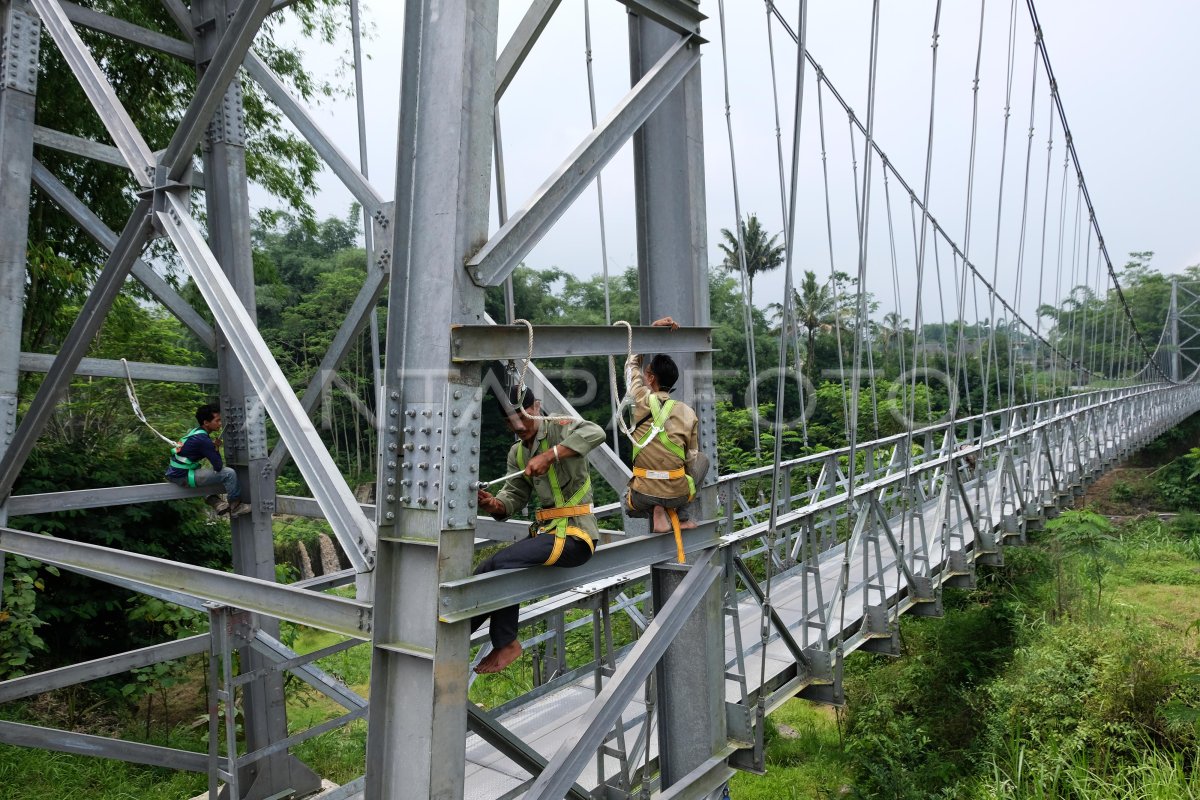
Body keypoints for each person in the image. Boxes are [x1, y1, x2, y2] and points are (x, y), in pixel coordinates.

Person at [474, 386, 605, 673]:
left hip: (576, 535)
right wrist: (493, 504)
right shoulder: (518, 454)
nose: (518, 427)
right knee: (484, 570)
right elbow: (513, 497)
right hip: (548, 534)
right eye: (511, 422)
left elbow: (595, 432)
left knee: (502, 563)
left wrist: (551, 455)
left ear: (536, 407)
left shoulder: (559, 427)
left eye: (522, 417)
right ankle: (456, 635)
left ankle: (506, 642)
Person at [622, 316, 705, 560]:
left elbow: (630, 365)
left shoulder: (639, 399)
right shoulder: (687, 412)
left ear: (650, 378)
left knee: (634, 492)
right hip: (677, 494)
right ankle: (681, 515)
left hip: (640, 498)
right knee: (702, 461)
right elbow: (691, 459)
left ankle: (657, 510)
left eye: (647, 373)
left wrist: (649, 333)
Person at [165, 404, 251, 517]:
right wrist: (216, 448)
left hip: (175, 473)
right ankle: (236, 507)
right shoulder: (203, 440)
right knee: (229, 474)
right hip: (183, 476)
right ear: (206, 422)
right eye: (217, 420)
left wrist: (212, 447)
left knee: (206, 473)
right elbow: (218, 467)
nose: (220, 423)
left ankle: (216, 502)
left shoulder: (196, 432)